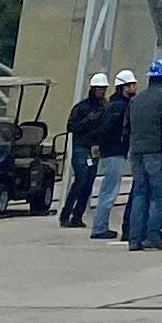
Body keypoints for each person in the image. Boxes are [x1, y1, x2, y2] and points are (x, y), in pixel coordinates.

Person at [124, 60, 162, 250]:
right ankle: (153, 236)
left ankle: (134, 239)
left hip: (137, 153)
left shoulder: (136, 99)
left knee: (140, 194)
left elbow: (127, 126)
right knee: (157, 196)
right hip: (158, 152)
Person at [86, 70, 136, 240]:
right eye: (130, 85)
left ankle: (100, 226)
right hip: (114, 152)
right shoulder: (119, 107)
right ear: (123, 87)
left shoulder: (114, 105)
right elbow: (108, 129)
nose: (133, 88)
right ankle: (99, 228)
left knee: (109, 190)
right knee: (109, 191)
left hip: (113, 152)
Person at [58, 75, 110, 227]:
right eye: (99, 89)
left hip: (94, 150)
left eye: (103, 89)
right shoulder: (81, 107)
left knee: (88, 183)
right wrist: (88, 119)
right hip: (81, 149)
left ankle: (77, 216)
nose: (101, 92)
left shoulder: (105, 108)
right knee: (81, 180)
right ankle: (66, 214)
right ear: (93, 89)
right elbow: (71, 127)